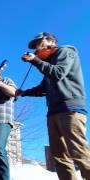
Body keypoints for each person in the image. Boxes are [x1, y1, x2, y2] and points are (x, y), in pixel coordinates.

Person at [17, 32, 90, 180]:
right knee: (59, 156)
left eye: (39, 44)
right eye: (35, 47)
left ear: (50, 41)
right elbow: (42, 89)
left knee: (78, 151)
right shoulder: (48, 66)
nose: (36, 49)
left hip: (70, 109)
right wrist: (22, 93)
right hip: (53, 112)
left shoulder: (66, 51)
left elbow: (59, 73)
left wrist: (35, 60)